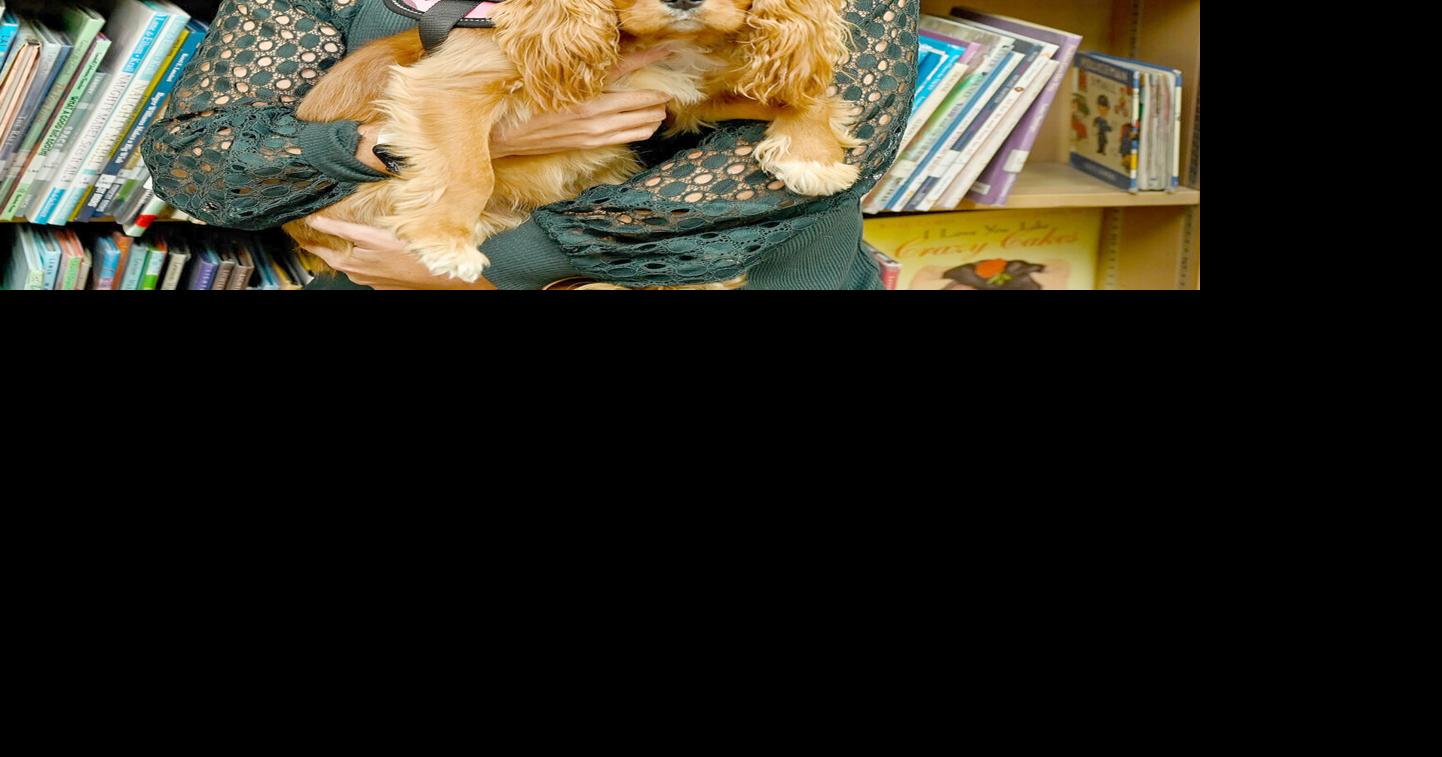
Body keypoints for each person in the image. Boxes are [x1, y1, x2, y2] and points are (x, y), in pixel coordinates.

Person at [141, 0, 919, 289]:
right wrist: (495, 138)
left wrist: (493, 274)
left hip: (747, 270)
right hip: (409, 257)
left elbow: (838, 138)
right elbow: (198, 163)